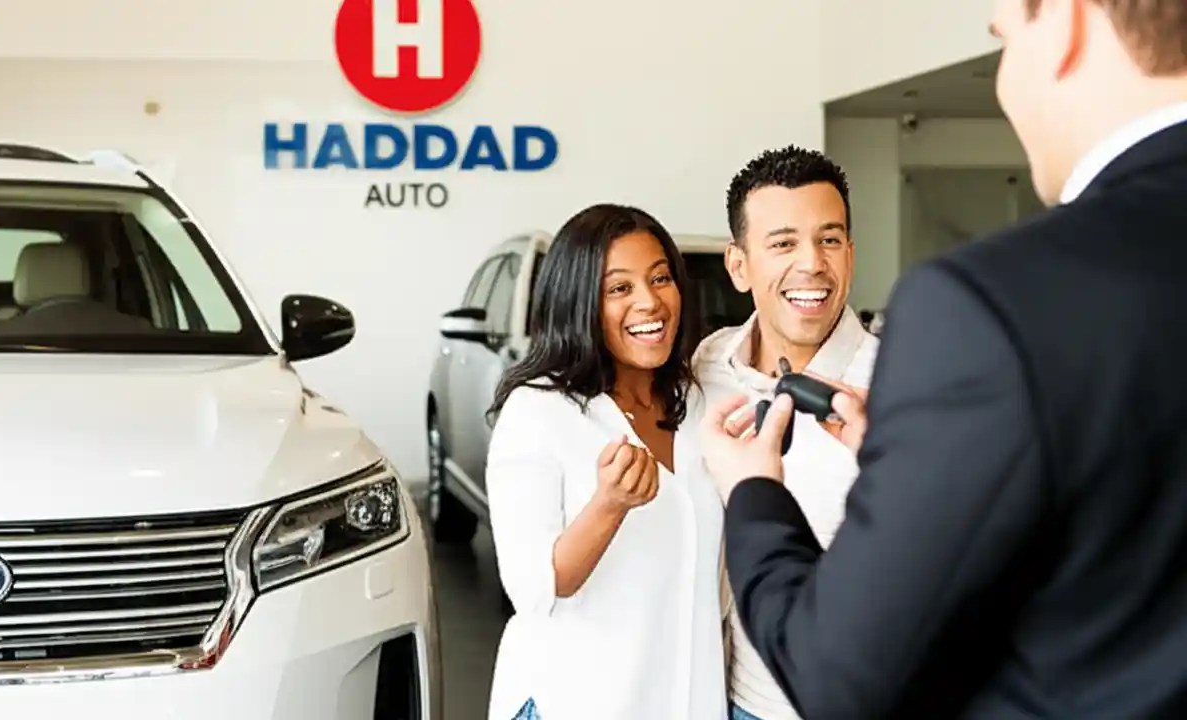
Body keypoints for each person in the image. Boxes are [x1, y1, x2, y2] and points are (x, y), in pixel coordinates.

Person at [699, 0, 1187, 717]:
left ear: (1069, 20)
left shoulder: (984, 307)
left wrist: (752, 492)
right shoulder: (706, 363)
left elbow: (839, 676)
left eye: (1004, 41)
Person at [483, 203, 725, 720]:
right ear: (579, 303)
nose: (650, 302)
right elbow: (533, 586)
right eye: (619, 289)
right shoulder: (538, 410)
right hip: (572, 702)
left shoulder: (698, 401)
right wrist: (609, 505)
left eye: (660, 278)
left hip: (684, 701)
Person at [693, 146, 877, 720]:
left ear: (849, 253)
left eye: (829, 240)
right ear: (739, 266)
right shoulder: (710, 363)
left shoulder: (905, 385)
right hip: (717, 695)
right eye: (782, 243)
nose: (812, 264)